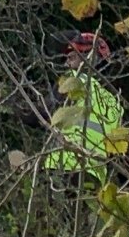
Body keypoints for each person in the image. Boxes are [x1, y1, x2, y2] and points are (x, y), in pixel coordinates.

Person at [40, 31, 124, 182]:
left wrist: (8, 100)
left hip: (64, 166)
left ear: (89, 58)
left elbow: (40, 113)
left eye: (71, 58)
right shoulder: (115, 103)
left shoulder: (75, 80)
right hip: (95, 177)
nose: (66, 64)